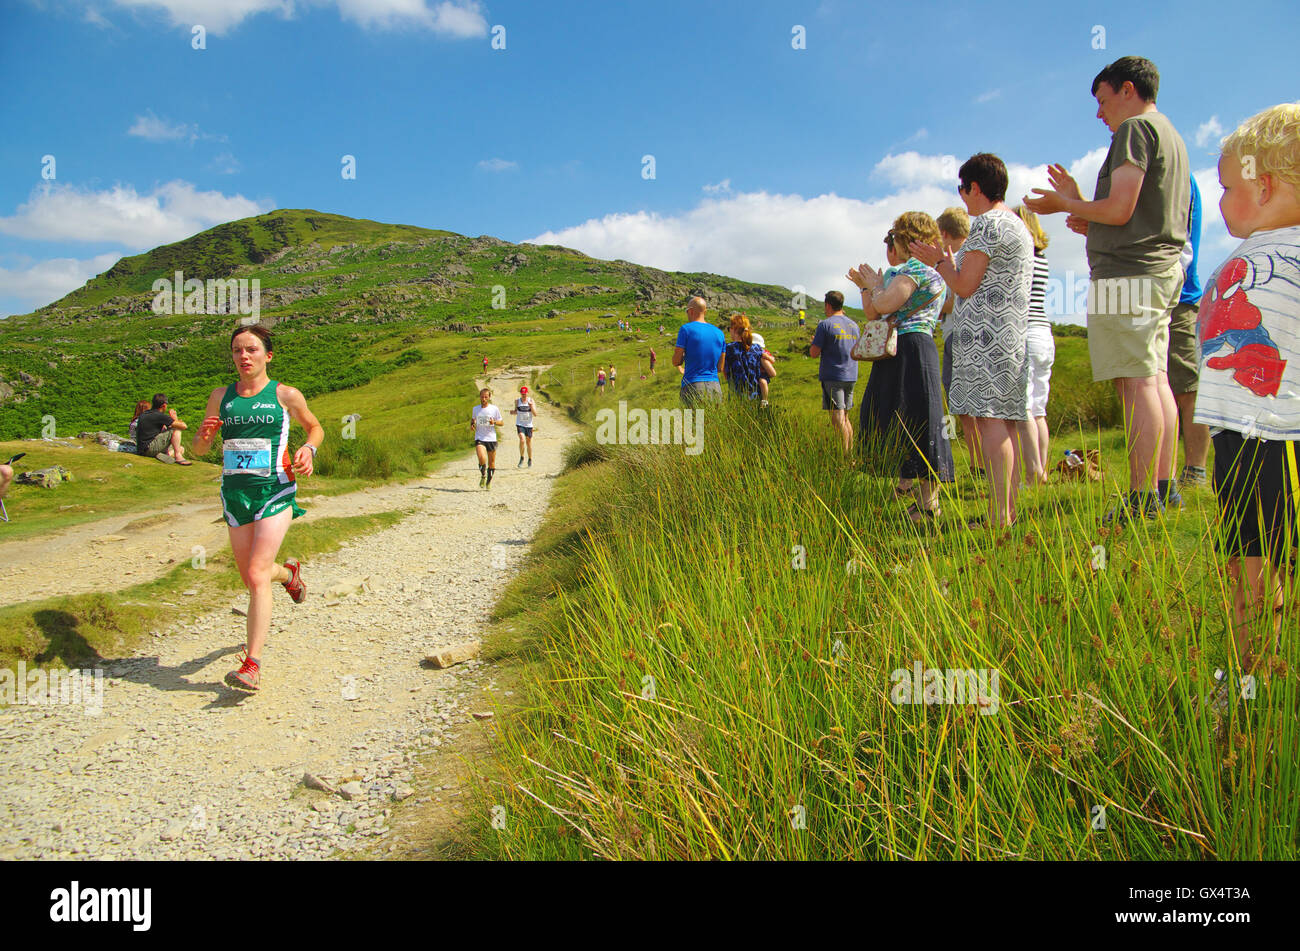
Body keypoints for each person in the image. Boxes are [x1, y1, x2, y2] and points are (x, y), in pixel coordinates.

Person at [1024, 55, 1190, 523]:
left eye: (1102, 100)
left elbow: (1118, 209)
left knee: (1135, 384)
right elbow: (1130, 215)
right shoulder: (1171, 135)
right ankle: (1164, 487)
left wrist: (1064, 203)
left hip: (1129, 277)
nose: (1100, 114)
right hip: (1157, 269)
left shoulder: (1135, 132)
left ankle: (1141, 500)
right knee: (1154, 379)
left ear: (1127, 90)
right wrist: (1084, 212)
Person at [1193, 103, 1300, 681]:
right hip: (1252, 433)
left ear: (1264, 187)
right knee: (1254, 559)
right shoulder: (1254, 255)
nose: (1223, 200)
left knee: (1254, 564)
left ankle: (1254, 677)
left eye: (1228, 187)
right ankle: (1259, 679)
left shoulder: (1266, 256)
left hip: (1267, 439)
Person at [191, 325, 324, 692]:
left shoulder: (284, 394)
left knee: (255, 570)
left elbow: (314, 427)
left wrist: (308, 449)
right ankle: (289, 575)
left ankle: (252, 664)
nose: (243, 356)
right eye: (237, 350)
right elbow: (199, 451)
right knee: (254, 576)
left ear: (268, 355)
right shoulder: (221, 396)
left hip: (274, 489)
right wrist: (202, 439)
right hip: (235, 493)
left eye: (251, 349)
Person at [912, 153, 1034, 529]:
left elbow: (964, 285)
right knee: (1006, 424)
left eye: (962, 189)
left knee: (990, 423)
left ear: (975, 188)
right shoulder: (1017, 226)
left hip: (985, 339)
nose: (962, 197)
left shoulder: (987, 226)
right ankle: (1006, 513)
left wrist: (940, 263)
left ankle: (999, 517)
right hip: (1010, 335)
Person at [851, 213, 954, 523]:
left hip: (908, 350)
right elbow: (873, 312)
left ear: (904, 240)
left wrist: (873, 285)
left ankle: (927, 504)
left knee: (917, 419)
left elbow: (883, 306)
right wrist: (866, 288)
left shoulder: (913, 270)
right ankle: (924, 502)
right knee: (919, 418)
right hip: (912, 349)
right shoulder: (927, 273)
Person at [935, 208, 981, 479]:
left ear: (944, 233)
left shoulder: (959, 258)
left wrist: (935, 306)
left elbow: (960, 296)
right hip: (966, 334)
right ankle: (981, 463)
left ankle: (979, 465)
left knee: (963, 405)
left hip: (958, 334)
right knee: (969, 406)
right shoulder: (975, 253)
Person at [1171, 173, 1210, 488]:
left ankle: (1195, 470)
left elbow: (1178, 243)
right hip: (1150, 298)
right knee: (1159, 387)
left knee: (1186, 386)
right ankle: (1164, 470)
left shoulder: (1179, 177)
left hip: (1178, 298)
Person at [1013, 204, 1054, 485]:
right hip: (1044, 333)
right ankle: (1042, 469)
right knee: (1038, 408)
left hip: (1024, 332)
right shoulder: (1043, 259)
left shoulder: (1020, 258)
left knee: (1022, 407)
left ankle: (1033, 472)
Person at [809, 290, 860, 453]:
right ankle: (851, 451)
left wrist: (813, 343)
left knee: (837, 417)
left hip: (833, 375)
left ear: (828, 305)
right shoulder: (854, 325)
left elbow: (814, 353)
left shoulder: (825, 324)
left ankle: (845, 456)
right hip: (851, 374)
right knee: (845, 416)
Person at [673, 296, 726, 404]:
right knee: (714, 421)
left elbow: (676, 361)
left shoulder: (686, 329)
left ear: (691, 311)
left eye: (686, 311)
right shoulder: (719, 333)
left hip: (693, 386)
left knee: (693, 421)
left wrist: (683, 358)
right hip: (715, 386)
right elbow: (720, 367)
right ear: (704, 311)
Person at [722, 314, 776, 401]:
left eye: (729, 329)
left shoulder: (729, 349)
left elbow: (726, 375)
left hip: (737, 396)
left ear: (734, 329)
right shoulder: (757, 348)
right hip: (756, 395)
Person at [134, 393, 193, 465]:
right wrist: (175, 418)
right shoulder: (159, 416)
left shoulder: (144, 414)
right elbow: (183, 426)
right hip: (149, 448)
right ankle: (178, 457)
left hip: (141, 449)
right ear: (164, 405)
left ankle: (163, 454)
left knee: (181, 448)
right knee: (176, 429)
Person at [470, 387, 504, 488]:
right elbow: (473, 419)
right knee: (481, 457)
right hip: (480, 437)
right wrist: (472, 424)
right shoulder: (475, 409)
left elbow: (501, 423)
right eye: (482, 397)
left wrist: (494, 422)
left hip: (491, 438)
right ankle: (483, 475)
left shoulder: (494, 409)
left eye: (486, 397)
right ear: (480, 397)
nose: (483, 399)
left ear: (489, 397)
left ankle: (488, 481)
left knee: (492, 463)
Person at [511, 385, 538, 467]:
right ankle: (522, 457)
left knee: (528, 442)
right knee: (522, 440)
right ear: (520, 393)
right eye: (522, 394)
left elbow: (535, 414)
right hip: (520, 424)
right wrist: (513, 412)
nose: (523, 395)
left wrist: (530, 406)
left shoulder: (531, 401)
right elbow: (516, 411)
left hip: (529, 425)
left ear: (527, 393)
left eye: (525, 394)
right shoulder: (517, 401)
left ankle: (530, 459)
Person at [752, 332, 775, 405]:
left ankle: (764, 400)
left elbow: (773, 359)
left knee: (763, 382)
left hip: (763, 373)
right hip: (756, 373)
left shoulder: (763, 353)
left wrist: (767, 357)